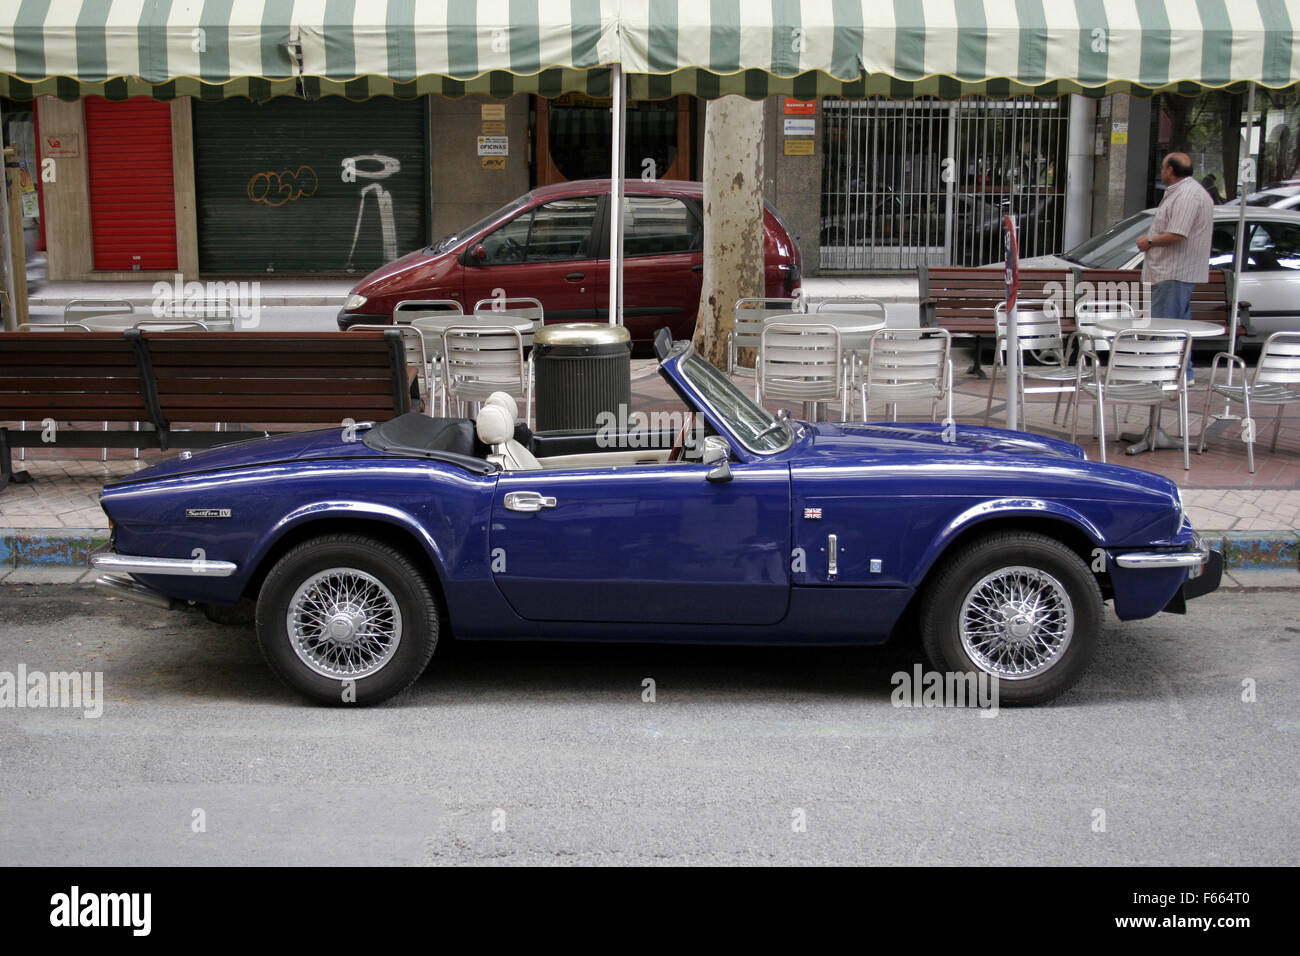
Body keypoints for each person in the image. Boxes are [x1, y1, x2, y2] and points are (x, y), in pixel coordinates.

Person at [1138, 151, 1213, 325]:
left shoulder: (1187, 195)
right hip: (1174, 275)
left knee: (1164, 328)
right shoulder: (1185, 192)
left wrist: (1149, 241)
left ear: (1169, 170)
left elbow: (1178, 233)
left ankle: (1166, 353)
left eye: (1163, 168)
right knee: (1176, 328)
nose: (1162, 172)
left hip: (1173, 274)